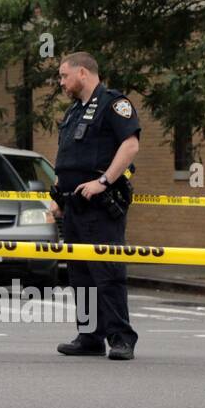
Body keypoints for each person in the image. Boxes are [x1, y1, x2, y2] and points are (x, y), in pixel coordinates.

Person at [50, 52, 142, 361]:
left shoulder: (113, 104)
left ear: (83, 73)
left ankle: (121, 337)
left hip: (101, 205)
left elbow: (130, 145)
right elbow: (69, 155)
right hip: (74, 206)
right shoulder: (75, 110)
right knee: (80, 274)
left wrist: (103, 181)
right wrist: (58, 198)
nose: (61, 82)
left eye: (64, 76)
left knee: (107, 271)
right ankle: (90, 336)